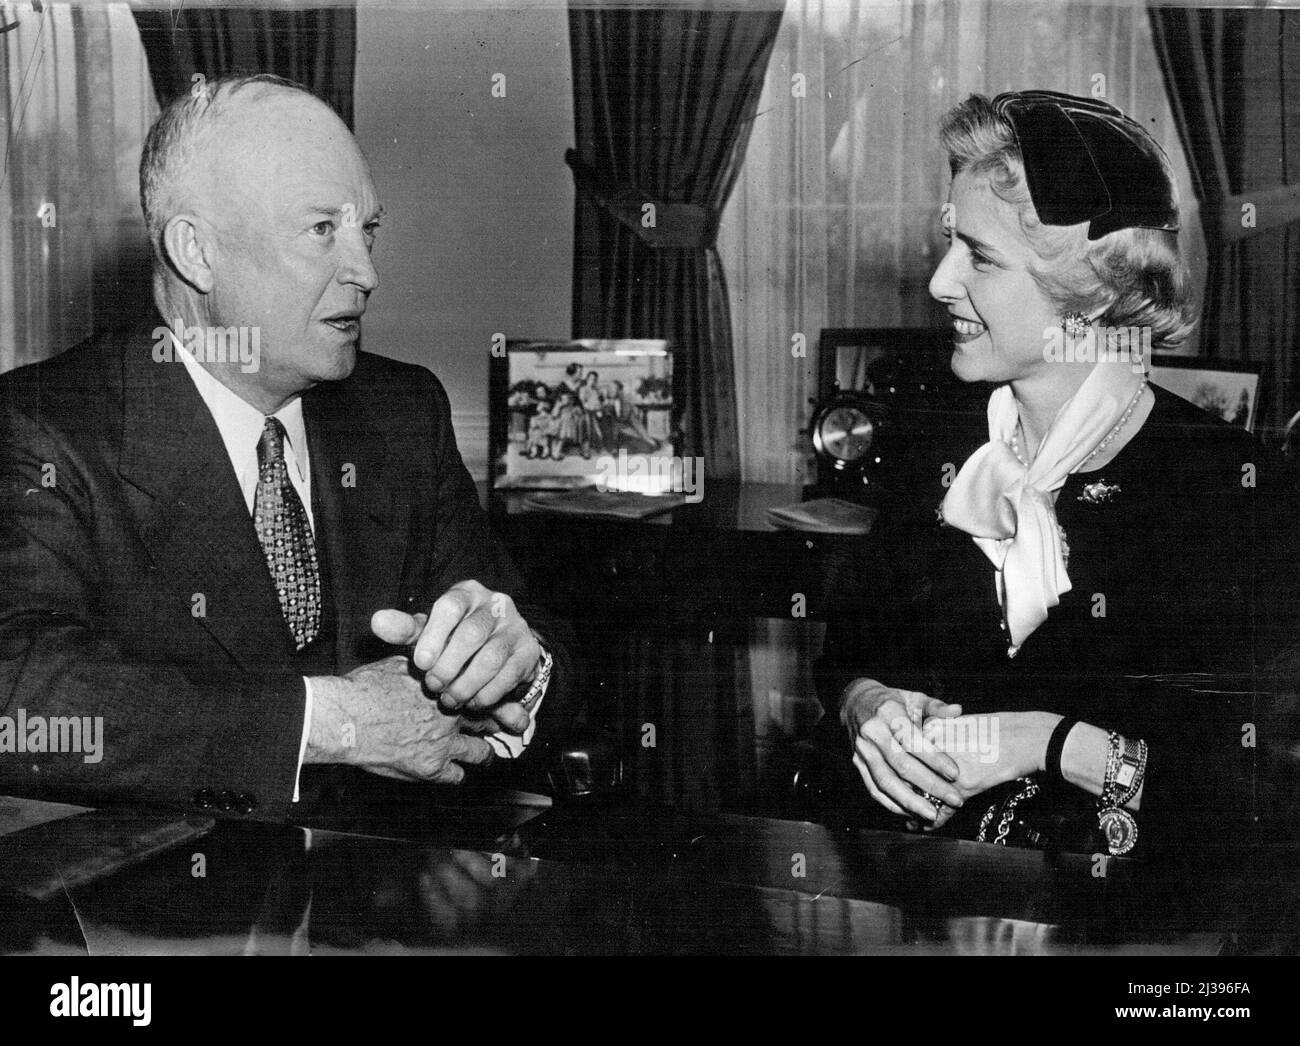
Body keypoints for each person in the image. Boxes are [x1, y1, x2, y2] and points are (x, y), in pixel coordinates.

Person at [0, 75, 569, 823]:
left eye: (367, 230)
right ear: (196, 253)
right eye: (321, 231)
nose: (367, 274)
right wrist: (336, 723)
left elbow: (538, 651)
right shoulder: (43, 428)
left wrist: (515, 668)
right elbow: (22, 695)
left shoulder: (401, 413)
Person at [816, 91, 1300, 859]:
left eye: (977, 256)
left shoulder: (1231, 489)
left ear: (1093, 292)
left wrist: (1048, 743)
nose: (942, 282)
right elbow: (850, 652)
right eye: (950, 243)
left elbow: (1259, 800)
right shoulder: (938, 446)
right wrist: (867, 706)